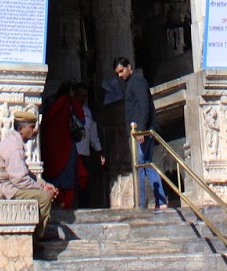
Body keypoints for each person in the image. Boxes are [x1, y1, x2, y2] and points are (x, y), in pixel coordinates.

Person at [0, 108, 57, 241]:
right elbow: (20, 180)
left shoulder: (14, 142)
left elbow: (25, 172)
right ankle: (35, 240)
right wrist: (42, 190)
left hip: (7, 186)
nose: (35, 131)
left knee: (43, 194)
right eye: (32, 127)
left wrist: (44, 184)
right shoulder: (14, 147)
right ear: (21, 129)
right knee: (44, 198)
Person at [113, 57, 168, 209]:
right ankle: (160, 200)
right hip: (140, 130)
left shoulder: (136, 82)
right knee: (146, 165)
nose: (119, 75)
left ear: (129, 67)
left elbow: (144, 106)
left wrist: (141, 130)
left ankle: (141, 203)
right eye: (117, 73)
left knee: (140, 166)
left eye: (121, 71)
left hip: (140, 131)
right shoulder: (132, 83)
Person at [40, 84, 84, 210]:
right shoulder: (69, 103)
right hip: (66, 145)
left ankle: (55, 202)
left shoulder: (49, 104)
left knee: (52, 174)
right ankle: (67, 205)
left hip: (50, 146)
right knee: (68, 177)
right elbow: (81, 119)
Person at [72, 82, 106, 209]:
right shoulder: (70, 110)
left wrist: (99, 150)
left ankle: (83, 206)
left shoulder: (87, 112)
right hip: (72, 152)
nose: (82, 98)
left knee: (84, 182)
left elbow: (92, 134)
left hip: (85, 152)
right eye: (79, 95)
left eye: (84, 96)